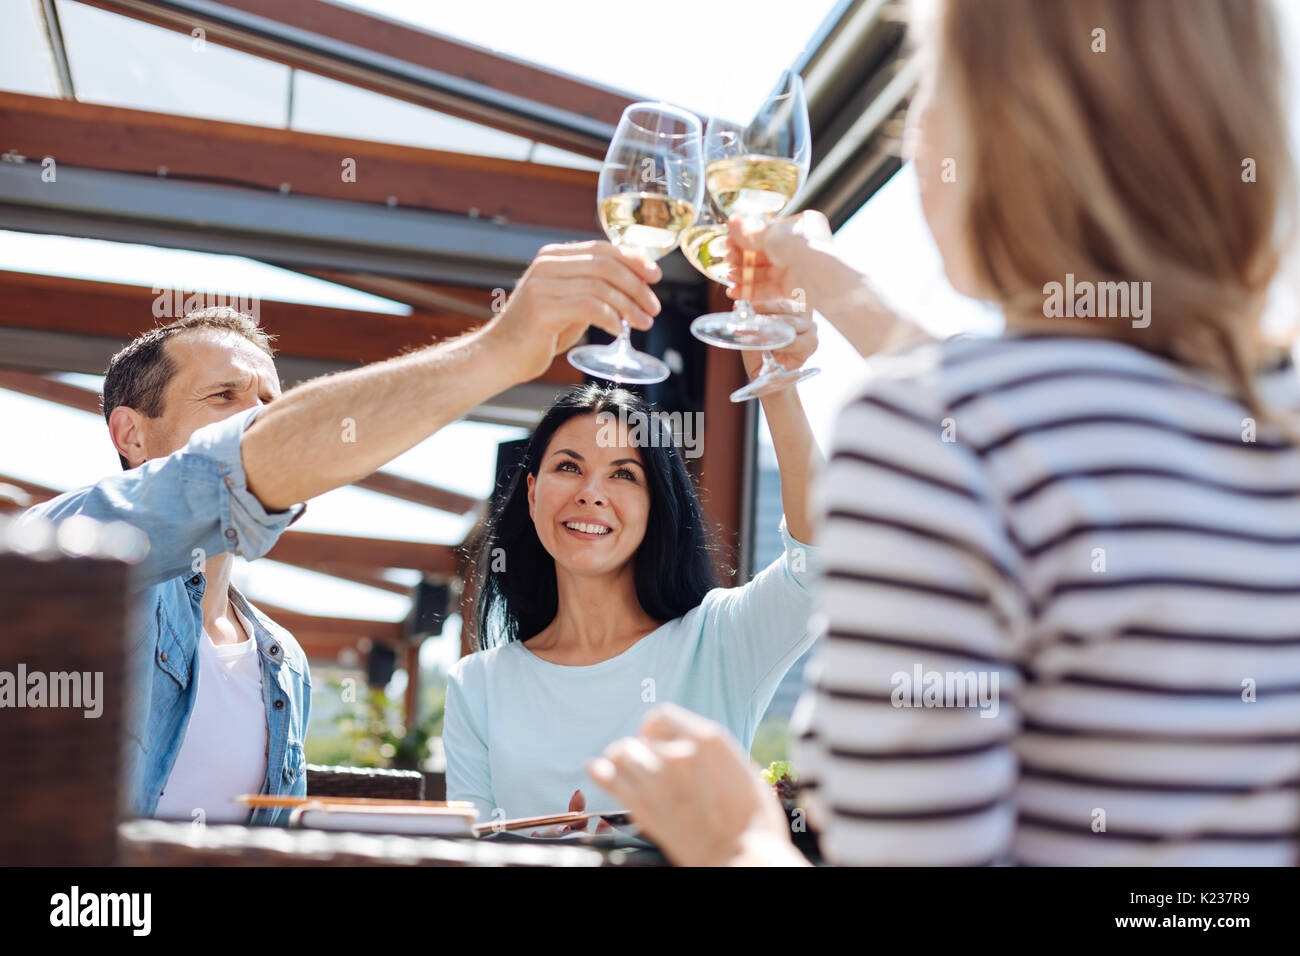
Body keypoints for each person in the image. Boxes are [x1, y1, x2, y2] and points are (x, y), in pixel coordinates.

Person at [586, 0, 1300, 866]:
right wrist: (830, 279)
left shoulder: (929, 433)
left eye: (928, 86)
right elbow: (1040, 426)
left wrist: (736, 843)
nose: (909, 136)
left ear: (1007, 132)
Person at [22, 239, 665, 825]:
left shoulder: (282, 659)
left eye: (272, 403)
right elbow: (244, 464)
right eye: (224, 397)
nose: (259, 419)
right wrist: (499, 351)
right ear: (131, 434)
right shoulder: (68, 547)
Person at [442, 305, 824, 831]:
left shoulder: (720, 640)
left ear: (655, 506)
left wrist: (777, 387)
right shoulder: (477, 686)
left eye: (623, 474)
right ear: (532, 493)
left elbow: (818, 558)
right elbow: (468, 853)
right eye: (568, 466)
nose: (590, 493)